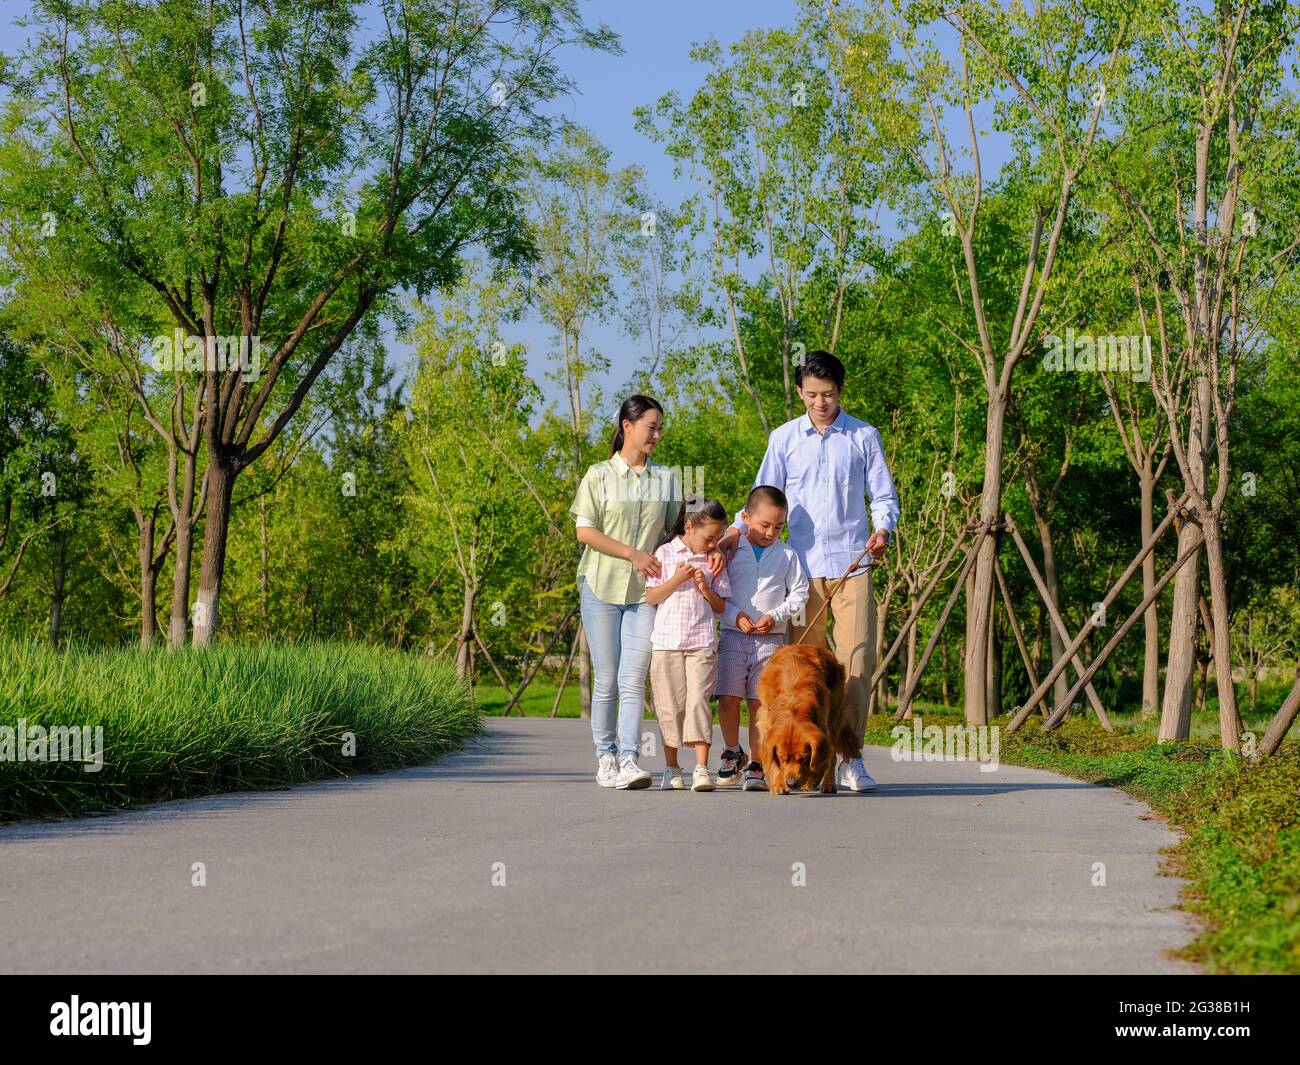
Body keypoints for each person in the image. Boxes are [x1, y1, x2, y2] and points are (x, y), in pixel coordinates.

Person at [717, 350, 899, 792]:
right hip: (797, 572)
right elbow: (761, 498)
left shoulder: (863, 436)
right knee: (803, 677)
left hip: (853, 563)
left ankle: (849, 758)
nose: (821, 402)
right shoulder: (783, 439)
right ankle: (789, 761)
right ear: (800, 391)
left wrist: (883, 530)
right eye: (813, 394)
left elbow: (883, 496)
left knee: (856, 661)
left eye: (829, 394)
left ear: (841, 391)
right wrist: (732, 535)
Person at [572, 395, 725, 789]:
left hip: (645, 595)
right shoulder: (599, 475)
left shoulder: (667, 480)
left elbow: (693, 525)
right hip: (601, 587)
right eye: (650, 427)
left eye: (660, 428)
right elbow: (584, 532)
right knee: (607, 678)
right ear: (627, 426)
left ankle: (629, 759)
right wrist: (633, 554)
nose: (656, 435)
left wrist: (722, 547)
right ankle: (605, 757)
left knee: (633, 676)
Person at [714, 485, 808, 790]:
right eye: (764, 525)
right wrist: (734, 617)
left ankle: (756, 762)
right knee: (727, 697)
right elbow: (715, 591)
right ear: (745, 518)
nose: (770, 532)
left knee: (760, 703)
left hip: (770, 641)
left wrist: (777, 615)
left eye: (778, 527)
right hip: (732, 634)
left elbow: (800, 593)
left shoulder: (787, 555)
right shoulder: (730, 550)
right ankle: (731, 751)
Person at [644, 497, 730, 792]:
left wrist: (706, 588)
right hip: (667, 642)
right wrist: (677, 579)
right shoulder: (666, 553)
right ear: (689, 527)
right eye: (709, 538)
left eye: (719, 538)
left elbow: (721, 607)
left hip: (702, 643)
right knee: (670, 706)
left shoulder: (715, 560)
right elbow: (652, 597)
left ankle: (701, 768)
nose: (713, 543)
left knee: (698, 703)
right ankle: (671, 768)